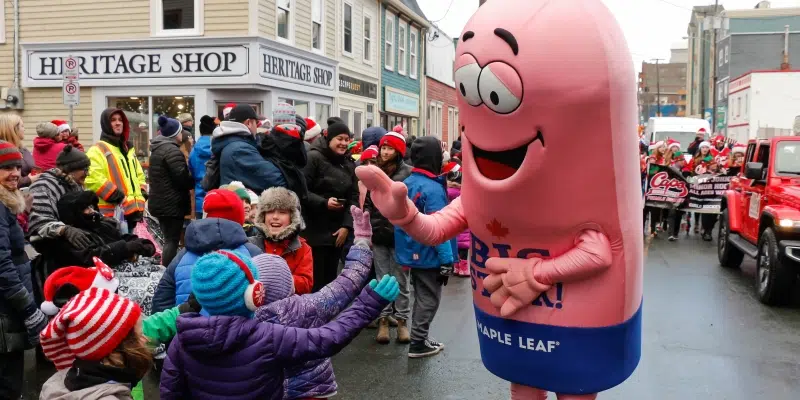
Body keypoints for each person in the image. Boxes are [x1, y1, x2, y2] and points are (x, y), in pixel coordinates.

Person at [159, 250, 399, 399]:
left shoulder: (182, 339)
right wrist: (368, 305)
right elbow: (327, 338)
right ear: (255, 295)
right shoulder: (266, 336)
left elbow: (171, 391)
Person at [254, 205, 376, 399]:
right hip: (309, 391)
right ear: (288, 281)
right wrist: (361, 242)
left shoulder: (243, 317)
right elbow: (347, 282)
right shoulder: (308, 307)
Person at [151, 189, 263, 314]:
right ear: (239, 219)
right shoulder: (253, 253)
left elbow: (161, 302)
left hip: (188, 330)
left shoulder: (182, 256)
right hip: (241, 331)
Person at [394, 136, 455, 358]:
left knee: (419, 295)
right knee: (429, 298)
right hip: (430, 253)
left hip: (410, 250)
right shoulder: (432, 188)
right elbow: (439, 227)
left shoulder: (407, 182)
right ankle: (418, 342)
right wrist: (447, 260)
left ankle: (420, 337)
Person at [0, 141, 47, 399]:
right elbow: (2, 266)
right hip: (5, 312)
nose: (15, 173)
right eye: (6, 167)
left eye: (17, 166)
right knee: (8, 381)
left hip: (9, 309)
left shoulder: (7, 204)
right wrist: (28, 308)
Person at [366, 130, 413, 344]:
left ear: (399, 151)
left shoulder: (408, 173)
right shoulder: (374, 172)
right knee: (381, 279)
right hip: (379, 234)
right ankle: (383, 320)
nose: (385, 152)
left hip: (400, 235)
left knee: (402, 280)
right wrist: (369, 225)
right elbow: (369, 202)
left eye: (390, 148)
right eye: (383, 147)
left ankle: (402, 322)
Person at [303, 122, 359, 292]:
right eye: (339, 139)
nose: (343, 143)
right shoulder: (313, 158)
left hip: (337, 232)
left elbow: (354, 198)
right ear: (328, 139)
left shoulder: (349, 163)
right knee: (315, 280)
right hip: (314, 231)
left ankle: (328, 316)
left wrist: (346, 226)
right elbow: (302, 192)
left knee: (331, 281)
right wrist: (324, 202)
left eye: (346, 139)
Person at [36, 190, 156, 269]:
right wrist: (125, 248)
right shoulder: (72, 236)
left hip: (122, 270)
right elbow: (90, 258)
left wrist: (142, 243)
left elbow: (120, 238)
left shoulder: (100, 224)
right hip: (99, 281)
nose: (92, 211)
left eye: (92, 207)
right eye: (86, 208)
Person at [86, 108, 147, 232]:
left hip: (132, 214)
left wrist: (142, 193)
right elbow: (92, 179)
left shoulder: (128, 149)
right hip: (110, 218)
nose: (118, 123)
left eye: (120, 120)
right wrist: (117, 196)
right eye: (113, 120)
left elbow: (139, 175)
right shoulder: (97, 149)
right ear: (106, 125)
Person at [249, 187, 314, 295]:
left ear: (293, 217)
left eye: (282, 212)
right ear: (262, 216)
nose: (275, 216)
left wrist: (278, 279)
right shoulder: (250, 244)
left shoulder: (303, 248)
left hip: (288, 306)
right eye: (269, 211)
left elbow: (306, 284)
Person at [149, 116, 194, 267]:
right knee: (172, 240)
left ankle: (165, 267)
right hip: (172, 204)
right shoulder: (172, 151)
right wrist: (192, 178)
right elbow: (182, 179)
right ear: (176, 134)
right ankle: (167, 270)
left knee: (167, 238)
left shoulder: (157, 149)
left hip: (161, 202)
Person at [212, 104, 287, 193]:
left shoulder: (232, 143)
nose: (257, 126)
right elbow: (276, 179)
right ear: (249, 123)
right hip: (243, 203)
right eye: (256, 122)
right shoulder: (240, 149)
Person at [29, 146, 90, 248]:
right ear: (71, 170)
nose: (88, 174)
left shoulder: (74, 184)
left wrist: (97, 217)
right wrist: (64, 230)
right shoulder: (43, 187)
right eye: (85, 169)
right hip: (50, 249)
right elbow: (39, 223)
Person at [0, 114, 37, 189]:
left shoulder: (23, 149)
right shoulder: (2, 151)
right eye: (22, 126)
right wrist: (29, 180)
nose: (24, 129)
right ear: (13, 129)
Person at [189, 115, 215, 219]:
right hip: (216, 199)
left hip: (200, 201)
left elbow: (191, 174)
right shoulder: (218, 150)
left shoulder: (193, 151)